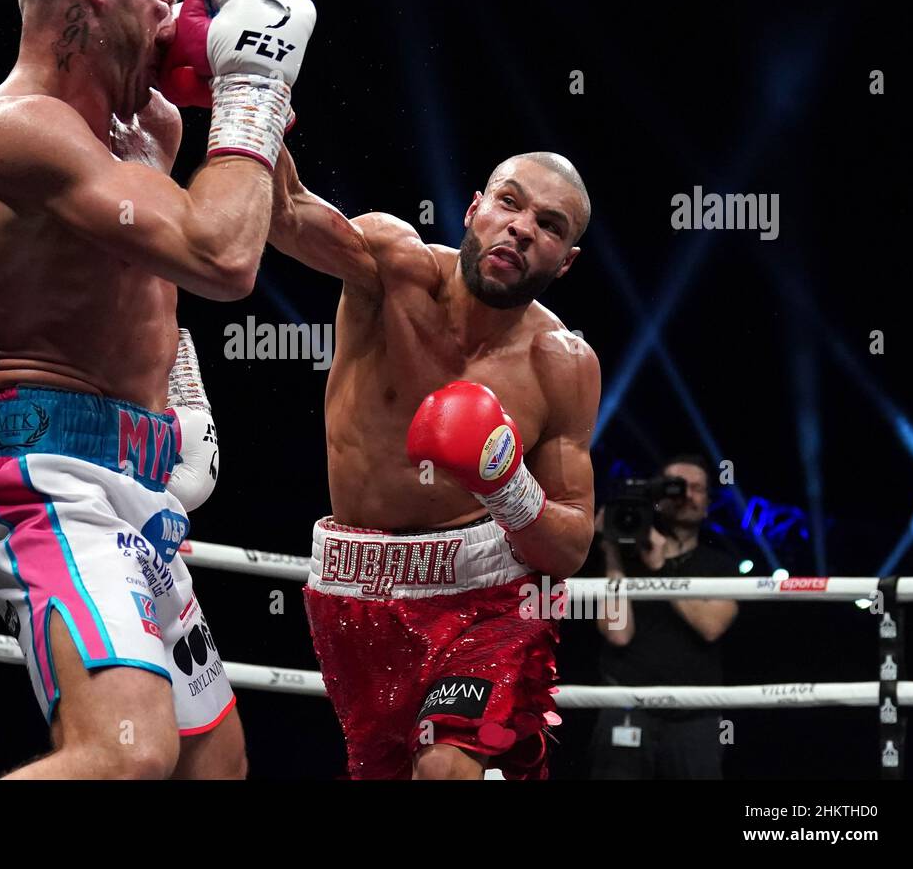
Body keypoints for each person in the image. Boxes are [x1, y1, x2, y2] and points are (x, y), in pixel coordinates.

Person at [0, 0, 316, 778]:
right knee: (125, 755)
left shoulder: (151, 128)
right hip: (43, 473)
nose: (179, 8)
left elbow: (159, 283)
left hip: (140, 482)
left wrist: (182, 404)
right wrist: (254, 85)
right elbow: (223, 257)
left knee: (211, 766)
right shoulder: (15, 133)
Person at [268, 146, 601, 778]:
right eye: (510, 202)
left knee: (445, 767)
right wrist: (254, 97)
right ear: (475, 208)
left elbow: (571, 545)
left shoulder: (563, 363)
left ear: (566, 263)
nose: (523, 227)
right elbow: (284, 215)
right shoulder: (390, 267)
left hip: (490, 601)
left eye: (551, 225)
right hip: (354, 598)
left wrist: (509, 488)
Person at [591, 453, 739, 779]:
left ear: (708, 501)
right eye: (676, 487)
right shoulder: (625, 560)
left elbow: (711, 626)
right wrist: (613, 553)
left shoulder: (722, 565)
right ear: (657, 496)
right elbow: (618, 633)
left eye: (697, 488)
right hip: (627, 706)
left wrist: (660, 568)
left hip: (696, 717)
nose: (686, 495)